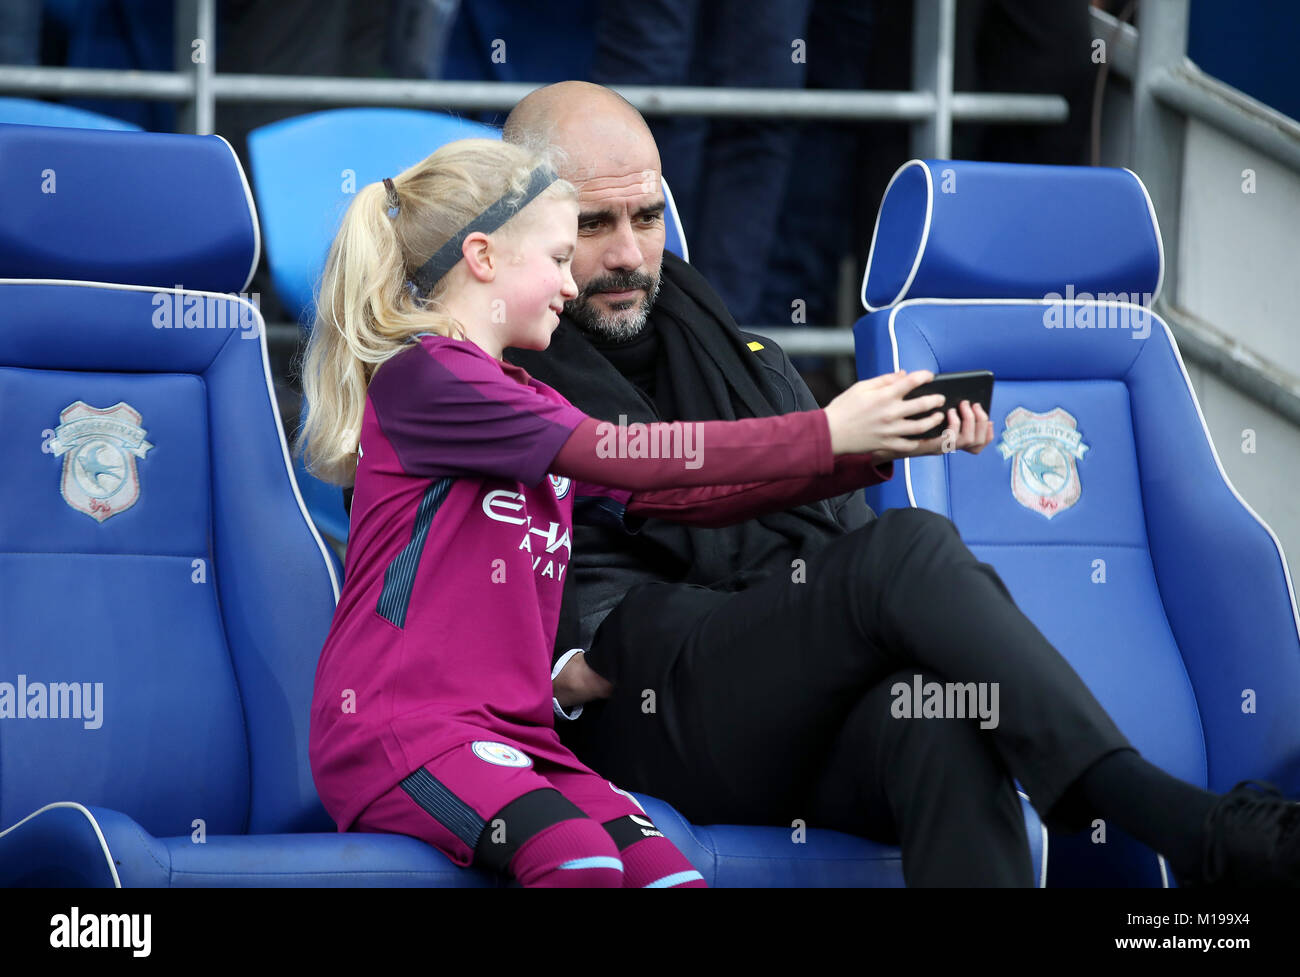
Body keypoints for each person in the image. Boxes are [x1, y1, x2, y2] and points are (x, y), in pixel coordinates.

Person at [501, 80, 1300, 887]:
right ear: (525, 225)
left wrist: (852, 482)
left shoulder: (750, 360)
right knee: (908, 546)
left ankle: (1156, 816)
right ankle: (1165, 813)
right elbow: (640, 493)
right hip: (634, 703)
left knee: (939, 718)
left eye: (645, 217)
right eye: (593, 224)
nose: (631, 254)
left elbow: (838, 545)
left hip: (777, 691)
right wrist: (837, 448)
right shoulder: (494, 381)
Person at [298, 137, 954, 887]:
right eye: (553, 258)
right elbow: (630, 452)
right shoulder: (430, 376)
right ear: (482, 257)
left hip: (522, 738)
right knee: (576, 861)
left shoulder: (526, 395)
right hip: (403, 732)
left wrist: (859, 453)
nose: (569, 288)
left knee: (670, 879)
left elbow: (680, 493)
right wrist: (824, 428)